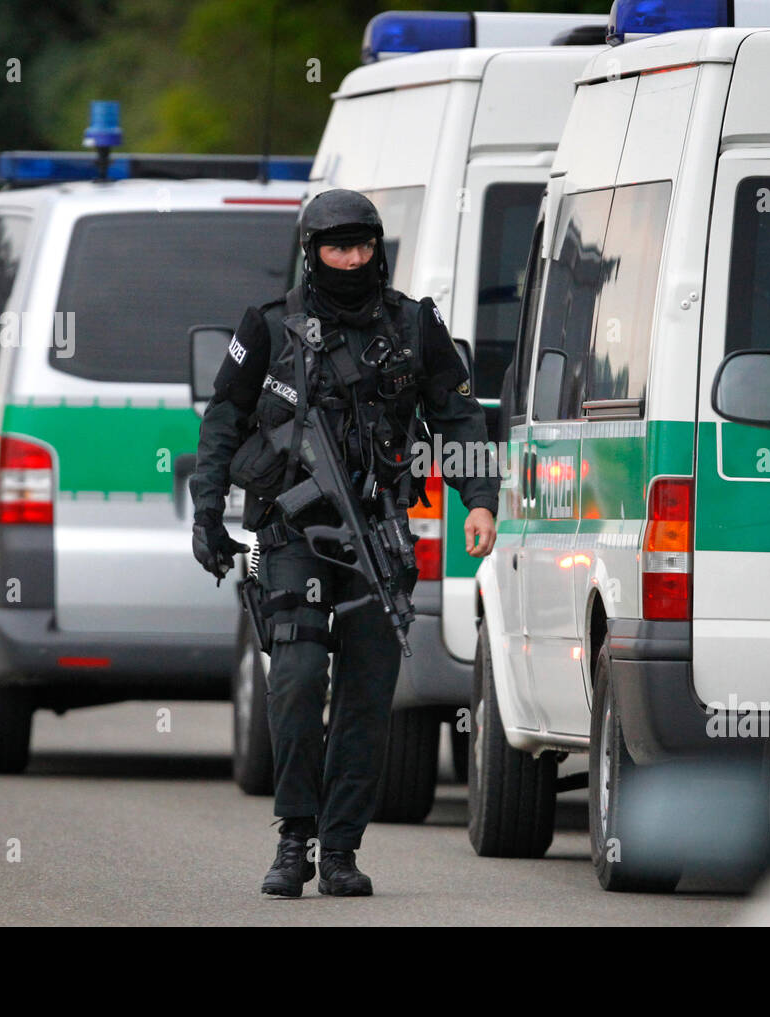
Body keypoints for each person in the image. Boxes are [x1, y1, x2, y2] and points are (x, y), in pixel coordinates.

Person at [189, 189, 498, 897]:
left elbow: (458, 417)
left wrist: (479, 499)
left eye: (363, 247)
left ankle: (340, 848)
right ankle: (294, 835)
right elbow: (224, 420)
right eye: (338, 248)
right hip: (293, 531)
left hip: (379, 532)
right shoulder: (269, 327)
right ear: (313, 252)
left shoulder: (414, 326)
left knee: (366, 695)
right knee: (296, 678)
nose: (352, 260)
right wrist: (209, 515)